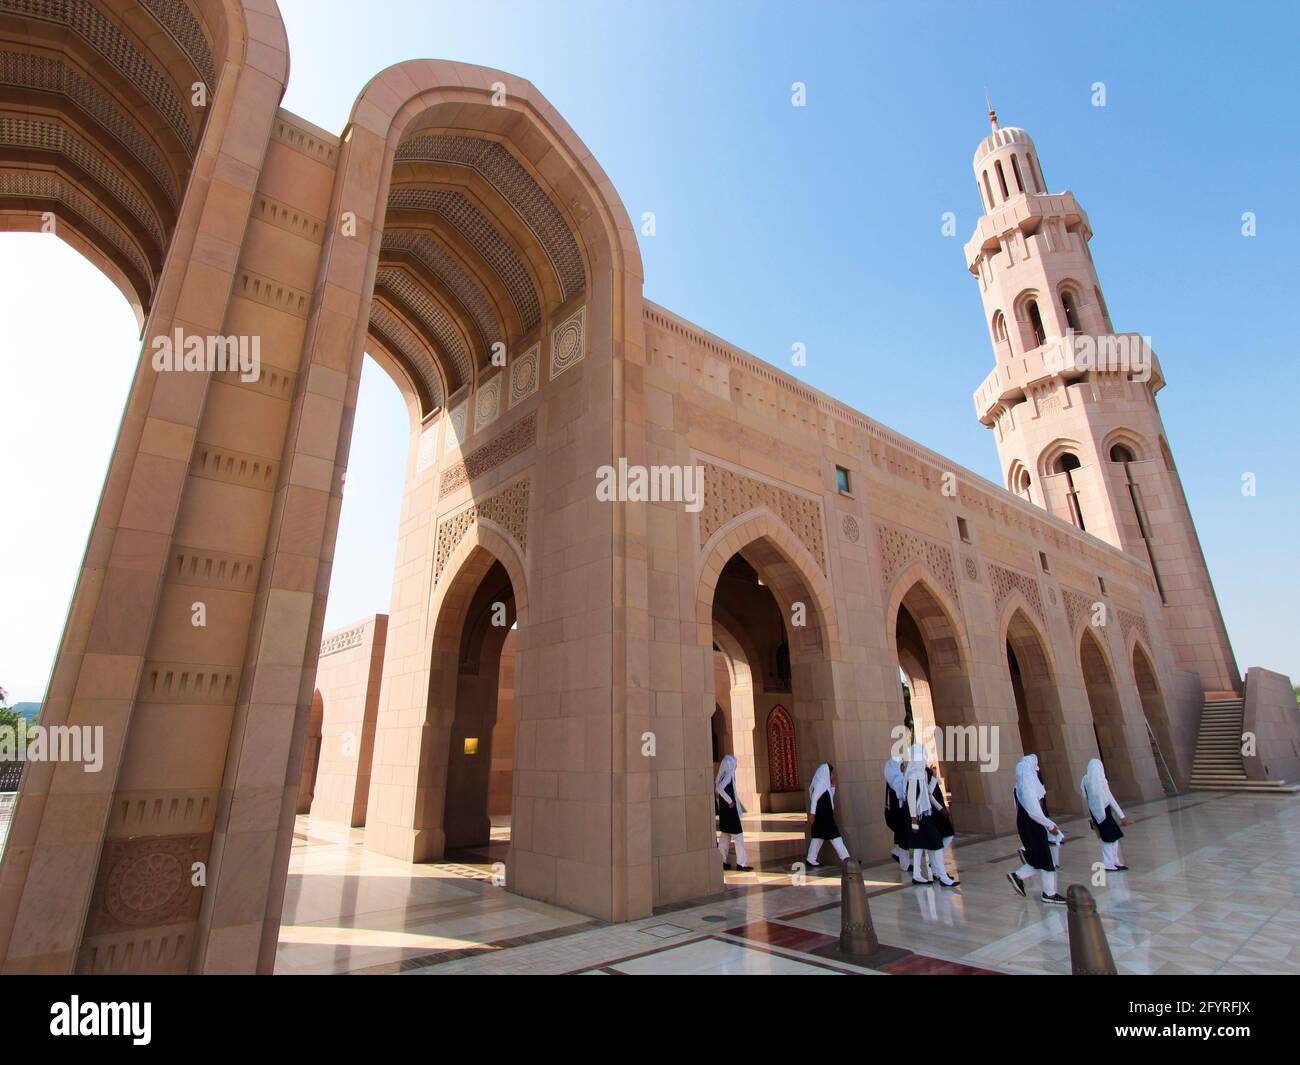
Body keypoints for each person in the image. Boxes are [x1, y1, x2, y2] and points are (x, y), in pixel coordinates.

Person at [1007, 753, 1066, 905]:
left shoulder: (1019, 785)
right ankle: (1049, 893)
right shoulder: (1028, 785)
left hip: (1027, 823)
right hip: (1033, 824)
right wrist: (1049, 825)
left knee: (1040, 857)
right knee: (1045, 858)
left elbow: (1018, 808)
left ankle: (1018, 876)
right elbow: (1033, 810)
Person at [904, 744, 959, 886]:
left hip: (925, 815)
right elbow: (911, 799)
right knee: (937, 844)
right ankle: (942, 876)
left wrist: (934, 778)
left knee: (919, 846)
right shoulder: (913, 776)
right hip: (920, 818)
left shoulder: (920, 774)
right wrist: (914, 819)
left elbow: (928, 793)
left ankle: (917, 875)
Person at [1080, 758, 1130, 872]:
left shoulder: (1085, 779)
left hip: (1095, 812)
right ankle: (1108, 863)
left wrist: (1094, 806)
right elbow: (1109, 797)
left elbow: (1084, 793)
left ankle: (1114, 860)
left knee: (1113, 836)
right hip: (1104, 811)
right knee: (1109, 838)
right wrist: (1122, 816)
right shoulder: (1100, 779)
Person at [805, 762, 851, 867]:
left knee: (818, 837)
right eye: (831, 773)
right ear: (826, 773)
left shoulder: (823, 783)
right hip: (824, 816)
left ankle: (811, 859)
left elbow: (829, 797)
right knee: (835, 836)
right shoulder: (821, 783)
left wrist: (833, 787)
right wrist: (812, 814)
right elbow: (815, 799)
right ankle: (846, 859)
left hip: (823, 815)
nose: (832, 775)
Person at [715, 754, 753, 871]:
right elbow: (719, 788)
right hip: (730, 811)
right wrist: (730, 801)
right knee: (738, 836)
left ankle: (721, 860)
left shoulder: (721, 776)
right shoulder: (728, 775)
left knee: (725, 835)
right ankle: (741, 863)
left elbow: (717, 787)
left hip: (725, 812)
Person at [883, 755, 910, 870]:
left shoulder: (896, 778)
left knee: (903, 838)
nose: (904, 767)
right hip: (900, 813)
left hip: (899, 813)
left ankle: (897, 853)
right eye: (902, 765)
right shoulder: (897, 780)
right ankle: (905, 865)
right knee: (904, 838)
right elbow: (903, 795)